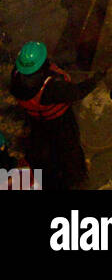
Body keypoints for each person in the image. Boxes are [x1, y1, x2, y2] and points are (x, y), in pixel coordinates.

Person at [9, 40, 99, 190]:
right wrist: (95, 80)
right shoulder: (51, 88)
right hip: (60, 121)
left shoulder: (16, 78)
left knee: (46, 150)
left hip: (37, 121)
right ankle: (77, 178)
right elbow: (76, 92)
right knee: (70, 150)